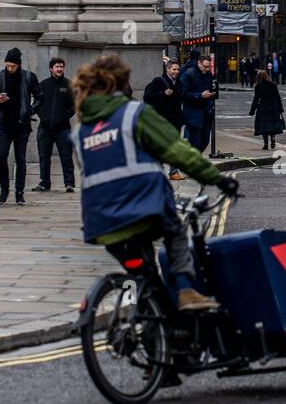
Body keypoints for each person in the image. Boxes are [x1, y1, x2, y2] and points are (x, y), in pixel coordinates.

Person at [72, 52, 237, 313]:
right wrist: (217, 179)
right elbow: (177, 151)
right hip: (141, 207)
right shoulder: (133, 113)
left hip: (100, 222)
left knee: (147, 277)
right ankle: (185, 291)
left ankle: (153, 325)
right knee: (176, 232)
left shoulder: (80, 131)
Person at [0, 47, 43, 205]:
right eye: (8, 65)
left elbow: (40, 96)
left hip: (22, 124)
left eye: (13, 66)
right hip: (3, 123)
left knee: (21, 159)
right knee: (2, 156)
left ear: (19, 65)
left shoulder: (29, 77)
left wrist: (31, 109)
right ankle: (4, 190)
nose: (10, 68)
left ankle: (19, 192)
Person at [32, 57, 76, 193]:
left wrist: (63, 117)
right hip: (45, 128)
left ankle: (69, 184)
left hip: (63, 129)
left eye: (61, 66)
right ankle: (44, 183)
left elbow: (74, 105)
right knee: (44, 157)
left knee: (66, 157)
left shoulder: (69, 85)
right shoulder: (43, 85)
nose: (60, 69)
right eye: (57, 66)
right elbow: (37, 104)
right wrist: (43, 117)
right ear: (51, 68)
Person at [180, 53, 216, 153]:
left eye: (209, 67)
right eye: (205, 66)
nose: (207, 69)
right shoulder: (189, 74)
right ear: (199, 63)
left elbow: (209, 89)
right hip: (193, 114)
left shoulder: (208, 75)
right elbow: (183, 94)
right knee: (195, 142)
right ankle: (192, 163)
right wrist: (200, 95)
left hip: (206, 113)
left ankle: (192, 160)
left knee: (205, 141)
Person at [249, 68, 286, 151]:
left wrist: (252, 110)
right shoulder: (273, 84)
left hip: (263, 107)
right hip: (273, 107)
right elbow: (277, 97)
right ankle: (273, 138)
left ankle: (266, 144)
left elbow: (256, 99)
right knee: (272, 125)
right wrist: (280, 108)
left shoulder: (258, 86)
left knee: (264, 126)